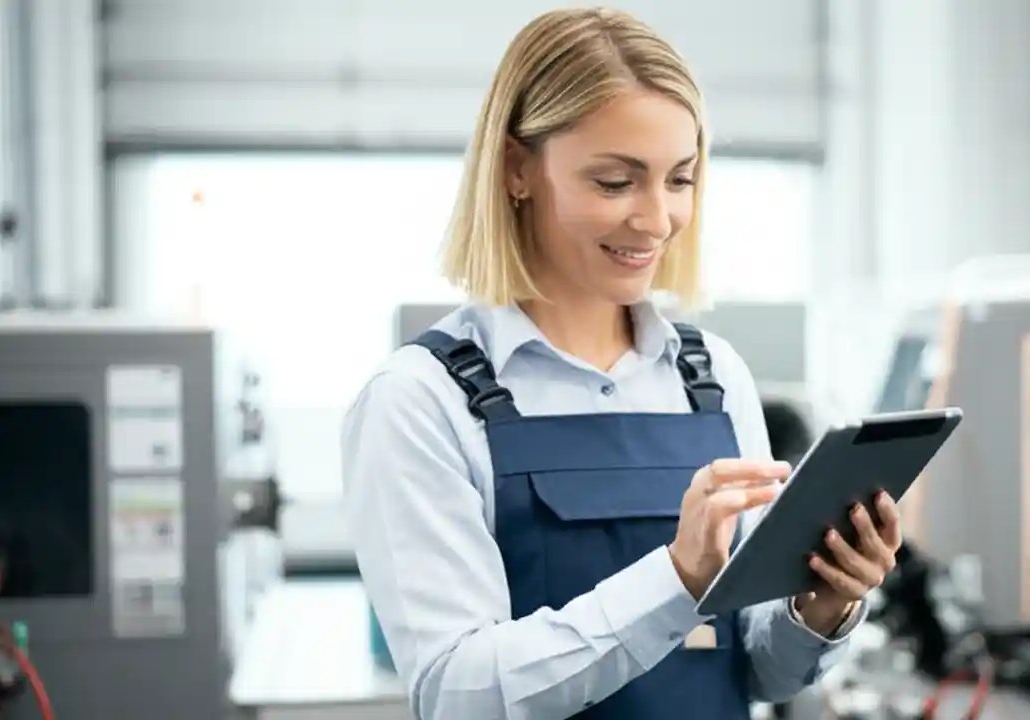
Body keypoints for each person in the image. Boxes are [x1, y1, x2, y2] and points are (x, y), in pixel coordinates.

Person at [342, 8, 902, 720]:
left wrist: (823, 603)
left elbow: (758, 670)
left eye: (680, 180)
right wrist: (677, 576)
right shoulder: (420, 401)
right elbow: (460, 694)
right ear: (517, 169)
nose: (657, 219)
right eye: (615, 183)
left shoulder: (714, 377)